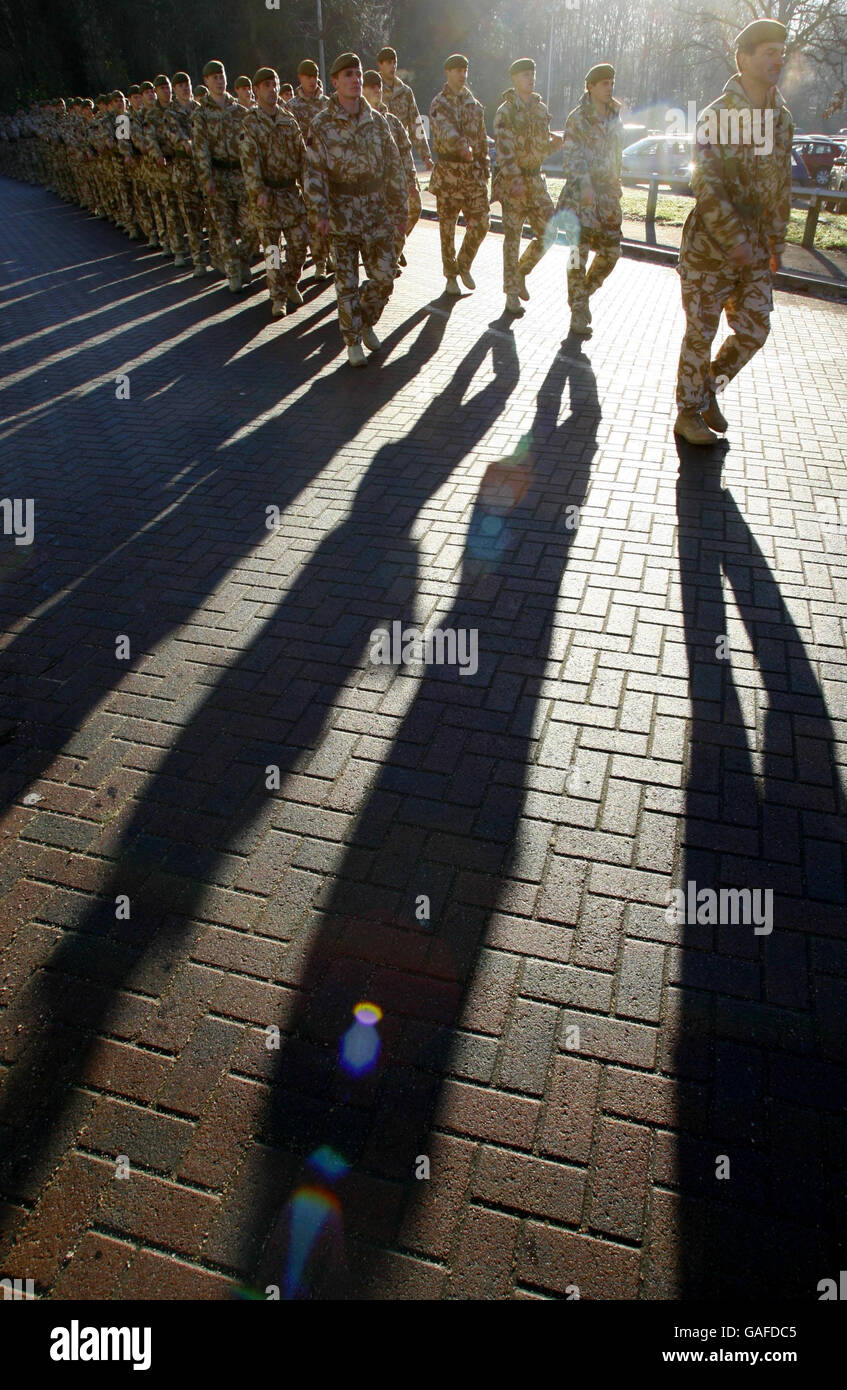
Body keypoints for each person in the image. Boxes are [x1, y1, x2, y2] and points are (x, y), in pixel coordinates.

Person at [674, 19, 792, 444]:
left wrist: (775, 241)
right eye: (769, 52)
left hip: (757, 251)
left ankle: (707, 390)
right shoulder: (718, 114)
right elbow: (706, 184)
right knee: (701, 333)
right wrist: (734, 240)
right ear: (744, 59)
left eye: (782, 51)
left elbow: (781, 186)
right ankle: (688, 415)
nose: (778, 59)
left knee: (755, 330)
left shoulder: (781, 118)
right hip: (710, 249)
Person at [302, 52, 407, 366]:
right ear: (334, 82)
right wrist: (318, 212)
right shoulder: (321, 124)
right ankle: (352, 341)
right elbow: (313, 172)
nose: (355, 79)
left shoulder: (377, 120)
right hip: (342, 213)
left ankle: (366, 320)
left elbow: (393, 167)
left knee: (385, 276)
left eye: (358, 74)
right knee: (346, 283)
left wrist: (400, 210)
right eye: (348, 74)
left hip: (376, 212)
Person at [556, 62, 623, 338]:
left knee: (611, 252)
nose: (609, 88)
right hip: (581, 195)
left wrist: (617, 187)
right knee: (577, 254)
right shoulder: (577, 118)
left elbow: (617, 155)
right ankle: (578, 313)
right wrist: (584, 184)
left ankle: (580, 295)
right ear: (591, 87)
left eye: (611, 83)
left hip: (607, 196)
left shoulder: (615, 116)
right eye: (604, 84)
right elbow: (571, 156)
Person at [493, 58, 562, 315]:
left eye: (532, 74)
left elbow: (542, 146)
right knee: (512, 238)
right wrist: (514, 180)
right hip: (514, 181)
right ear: (514, 79)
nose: (530, 79)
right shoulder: (506, 111)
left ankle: (521, 272)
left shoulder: (541, 109)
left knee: (551, 231)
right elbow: (504, 150)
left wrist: (556, 143)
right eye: (525, 75)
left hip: (536, 180)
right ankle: (511, 294)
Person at [239, 67, 308, 318]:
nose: (272, 89)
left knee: (301, 242)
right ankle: (277, 296)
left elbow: (303, 159)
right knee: (271, 251)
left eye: (275, 84)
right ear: (257, 90)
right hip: (266, 195)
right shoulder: (250, 122)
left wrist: (309, 188)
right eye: (267, 85)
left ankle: (291, 281)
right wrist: (258, 190)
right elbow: (249, 161)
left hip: (289, 193)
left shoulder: (289, 121)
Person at [429, 54, 489, 296]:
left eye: (465, 69)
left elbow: (482, 138)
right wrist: (461, 144)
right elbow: (444, 130)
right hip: (449, 175)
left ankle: (463, 263)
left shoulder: (474, 104)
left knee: (482, 222)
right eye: (457, 70)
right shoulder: (438, 103)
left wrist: (485, 169)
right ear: (447, 73)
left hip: (473, 175)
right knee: (448, 230)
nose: (462, 74)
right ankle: (450, 276)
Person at [192, 60, 255, 291]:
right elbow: (200, 149)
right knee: (225, 229)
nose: (219, 81)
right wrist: (206, 178)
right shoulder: (201, 114)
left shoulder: (239, 110)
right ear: (206, 82)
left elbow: (250, 145)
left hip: (240, 176)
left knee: (251, 225)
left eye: (221, 76)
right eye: (214, 78)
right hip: (218, 177)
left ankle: (241, 261)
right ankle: (233, 275)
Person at [376, 45, 433, 252]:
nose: (392, 66)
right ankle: (387, 251)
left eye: (394, 62)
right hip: (379, 159)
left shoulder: (405, 92)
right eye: (387, 63)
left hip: (402, 156)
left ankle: (395, 246)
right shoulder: (373, 89)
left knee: (415, 205)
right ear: (380, 65)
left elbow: (417, 123)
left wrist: (426, 153)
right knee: (385, 208)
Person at [361, 69, 415, 274]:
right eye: (371, 87)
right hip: (367, 195)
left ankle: (388, 262)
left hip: (392, 191)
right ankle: (276, 288)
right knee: (273, 245)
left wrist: (410, 180)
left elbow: (405, 151)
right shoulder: (353, 122)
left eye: (379, 87)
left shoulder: (391, 121)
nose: (377, 91)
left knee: (398, 231)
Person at [288, 59, 332, 278]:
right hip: (306, 171)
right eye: (308, 76)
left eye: (315, 76)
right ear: (300, 78)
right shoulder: (292, 107)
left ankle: (329, 254)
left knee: (331, 212)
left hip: (329, 169)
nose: (313, 80)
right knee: (315, 215)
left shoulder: (327, 103)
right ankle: (319, 261)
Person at [163, 72, 209, 276]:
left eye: (187, 84)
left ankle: (219, 258)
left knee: (212, 217)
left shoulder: (201, 109)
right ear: (175, 89)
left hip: (205, 171)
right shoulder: (170, 114)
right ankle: (197, 260)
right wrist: (191, 145)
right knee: (190, 218)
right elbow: (178, 138)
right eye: (180, 85)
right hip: (184, 172)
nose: (185, 88)